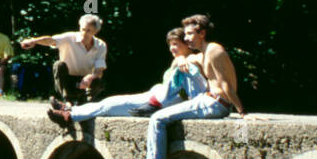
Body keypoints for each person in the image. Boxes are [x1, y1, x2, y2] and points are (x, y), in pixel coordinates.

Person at [129, 14, 246, 159]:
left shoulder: (215, 50)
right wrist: (182, 59)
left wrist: (242, 112)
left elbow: (225, 85)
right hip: (209, 100)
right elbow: (186, 61)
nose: (186, 38)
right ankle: (157, 102)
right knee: (181, 73)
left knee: (157, 119)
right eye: (185, 34)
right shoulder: (204, 53)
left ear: (202, 33)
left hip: (215, 103)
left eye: (190, 34)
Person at [46, 29, 203, 128]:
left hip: (159, 103)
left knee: (109, 106)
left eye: (175, 44)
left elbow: (194, 87)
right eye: (170, 44)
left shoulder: (191, 61)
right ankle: (70, 109)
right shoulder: (179, 59)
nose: (171, 48)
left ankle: (70, 116)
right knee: (109, 102)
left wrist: (185, 60)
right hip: (155, 96)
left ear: (186, 45)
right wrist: (181, 59)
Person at [20, 14, 106, 103]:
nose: (84, 33)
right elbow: (51, 40)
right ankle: (68, 101)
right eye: (83, 29)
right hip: (67, 80)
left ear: (95, 31)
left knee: (98, 81)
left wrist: (91, 77)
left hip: (86, 82)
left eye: (88, 31)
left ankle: (87, 102)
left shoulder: (101, 45)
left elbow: (99, 70)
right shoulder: (69, 37)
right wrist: (34, 41)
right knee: (58, 65)